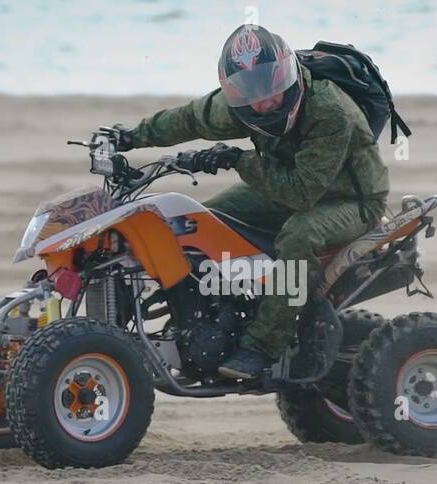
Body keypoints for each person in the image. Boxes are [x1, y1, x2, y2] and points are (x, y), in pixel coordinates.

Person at [119, 24, 389, 380]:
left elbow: (301, 194)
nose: (264, 101)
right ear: (234, 89)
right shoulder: (243, 104)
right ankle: (222, 311)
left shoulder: (329, 110)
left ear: (287, 73)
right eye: (251, 90)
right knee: (201, 221)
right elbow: (190, 118)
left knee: (299, 235)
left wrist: (236, 159)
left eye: (272, 85)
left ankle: (262, 347)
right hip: (287, 183)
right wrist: (130, 136)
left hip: (352, 200)